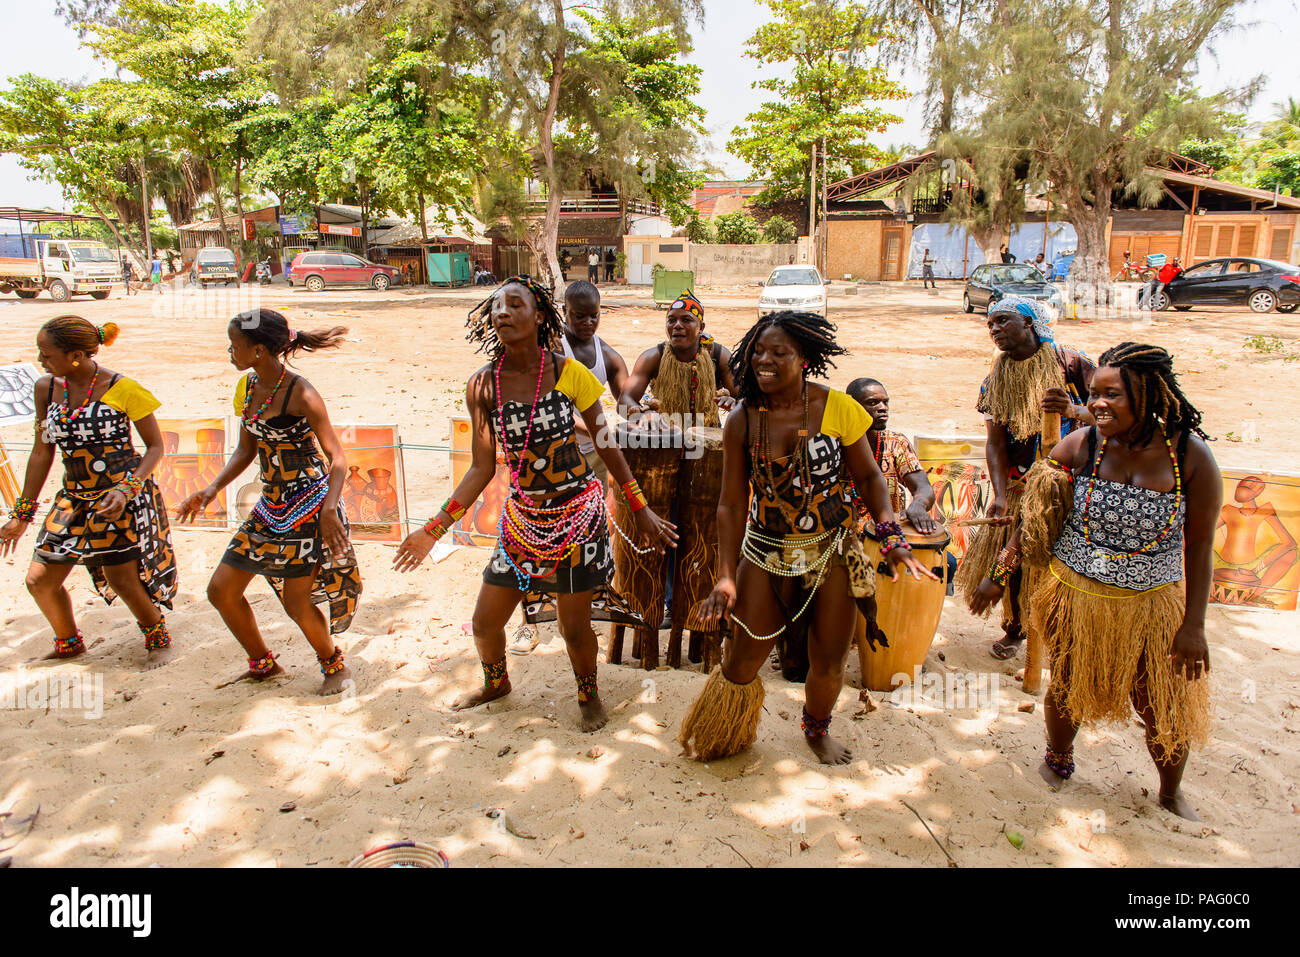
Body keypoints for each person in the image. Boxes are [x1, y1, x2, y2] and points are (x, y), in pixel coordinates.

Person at [392, 277, 676, 733]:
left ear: (540, 315)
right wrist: (432, 530)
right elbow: (481, 468)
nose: (502, 312)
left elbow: (605, 444)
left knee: (573, 628)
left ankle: (588, 694)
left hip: (578, 518)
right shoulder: (483, 386)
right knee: (485, 623)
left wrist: (639, 506)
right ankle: (497, 684)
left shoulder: (569, 373)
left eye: (515, 304)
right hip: (522, 519)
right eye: (496, 306)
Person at [970, 343, 1217, 820]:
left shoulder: (1189, 454)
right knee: (1067, 685)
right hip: (1077, 595)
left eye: (1113, 394)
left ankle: (1169, 792)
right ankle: (1058, 760)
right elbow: (1033, 514)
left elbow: (1201, 547)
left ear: (1147, 393)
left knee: (1160, 700)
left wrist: (1194, 626)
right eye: (1094, 393)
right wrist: (1000, 576)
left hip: (1152, 603)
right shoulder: (1084, 444)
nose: (1098, 403)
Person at [679, 311, 936, 765]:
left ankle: (816, 730)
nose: (764, 360)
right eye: (758, 350)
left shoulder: (837, 407)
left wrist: (891, 532)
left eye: (779, 352)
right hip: (765, 553)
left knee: (829, 658)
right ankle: (725, 728)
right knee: (741, 660)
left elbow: (871, 477)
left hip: (832, 552)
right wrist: (725, 577)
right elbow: (731, 504)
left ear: (804, 358)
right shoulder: (742, 419)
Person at [175, 309, 362, 696]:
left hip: (310, 503)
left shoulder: (302, 393)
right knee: (221, 591)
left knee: (296, 604)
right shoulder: (247, 387)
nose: (229, 352)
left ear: (258, 350)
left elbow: (338, 459)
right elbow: (246, 450)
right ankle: (263, 663)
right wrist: (212, 488)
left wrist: (330, 509)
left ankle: (334, 666)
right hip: (270, 505)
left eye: (235, 345)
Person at [0, 316, 177, 669]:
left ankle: (157, 635)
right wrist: (22, 513)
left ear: (76, 355)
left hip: (119, 497)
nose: (40, 360)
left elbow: (157, 447)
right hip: (73, 497)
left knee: (122, 579)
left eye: (46, 354)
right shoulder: (46, 389)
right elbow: (41, 451)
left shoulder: (123, 388)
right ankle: (68, 643)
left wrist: (128, 489)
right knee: (39, 579)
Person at [954, 296, 1095, 660]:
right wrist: (1000, 494)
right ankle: (1015, 628)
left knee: (1060, 562)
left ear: (1030, 323)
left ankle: (1065, 634)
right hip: (1020, 483)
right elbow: (995, 444)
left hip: (1074, 481)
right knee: (1016, 561)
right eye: (990, 324)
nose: (994, 329)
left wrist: (1074, 409)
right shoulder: (994, 382)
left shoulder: (1071, 363)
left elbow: (1111, 411)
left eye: (1002, 320)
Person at [619, 292, 736, 428]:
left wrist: (734, 404)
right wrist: (644, 416)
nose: (677, 325)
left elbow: (745, 399)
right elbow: (624, 400)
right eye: (671, 320)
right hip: (665, 436)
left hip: (707, 437)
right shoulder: (653, 357)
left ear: (701, 327)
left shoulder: (718, 355)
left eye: (686, 320)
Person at [846, 378, 938, 534]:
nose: (883, 408)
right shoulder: (835, 444)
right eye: (873, 402)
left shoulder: (895, 442)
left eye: (885, 402)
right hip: (842, 539)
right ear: (851, 406)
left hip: (886, 537)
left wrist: (919, 504)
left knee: (947, 559)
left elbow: (922, 486)